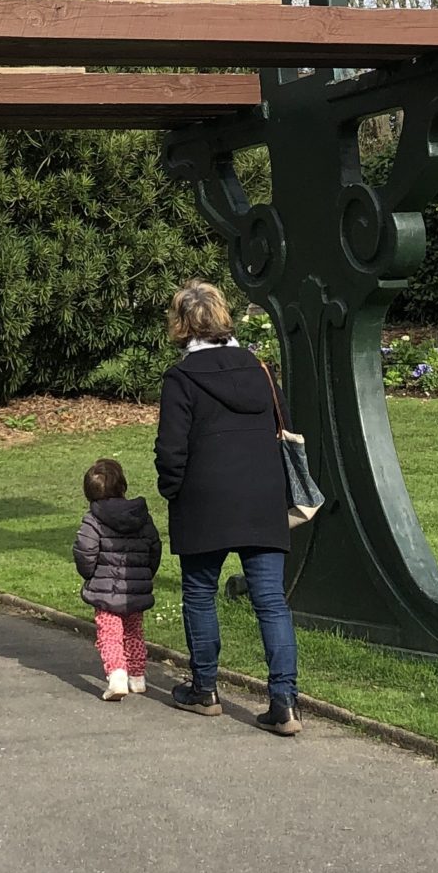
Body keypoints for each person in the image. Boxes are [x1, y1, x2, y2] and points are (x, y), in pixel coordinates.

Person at [152, 278, 301, 735]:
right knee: (271, 600)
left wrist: (171, 489)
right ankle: (285, 700)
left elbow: (171, 448)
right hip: (261, 495)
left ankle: (205, 688)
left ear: (181, 324)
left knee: (199, 593)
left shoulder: (181, 379)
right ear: (222, 317)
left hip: (205, 497)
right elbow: (285, 429)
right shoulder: (259, 369)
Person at [71, 457, 161, 699]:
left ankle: (117, 674)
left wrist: (89, 575)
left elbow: (84, 552)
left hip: (105, 588)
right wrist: (146, 574)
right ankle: (137, 676)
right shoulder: (141, 516)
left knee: (109, 633)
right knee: (134, 631)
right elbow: (154, 548)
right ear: (123, 486)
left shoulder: (93, 520)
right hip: (135, 586)